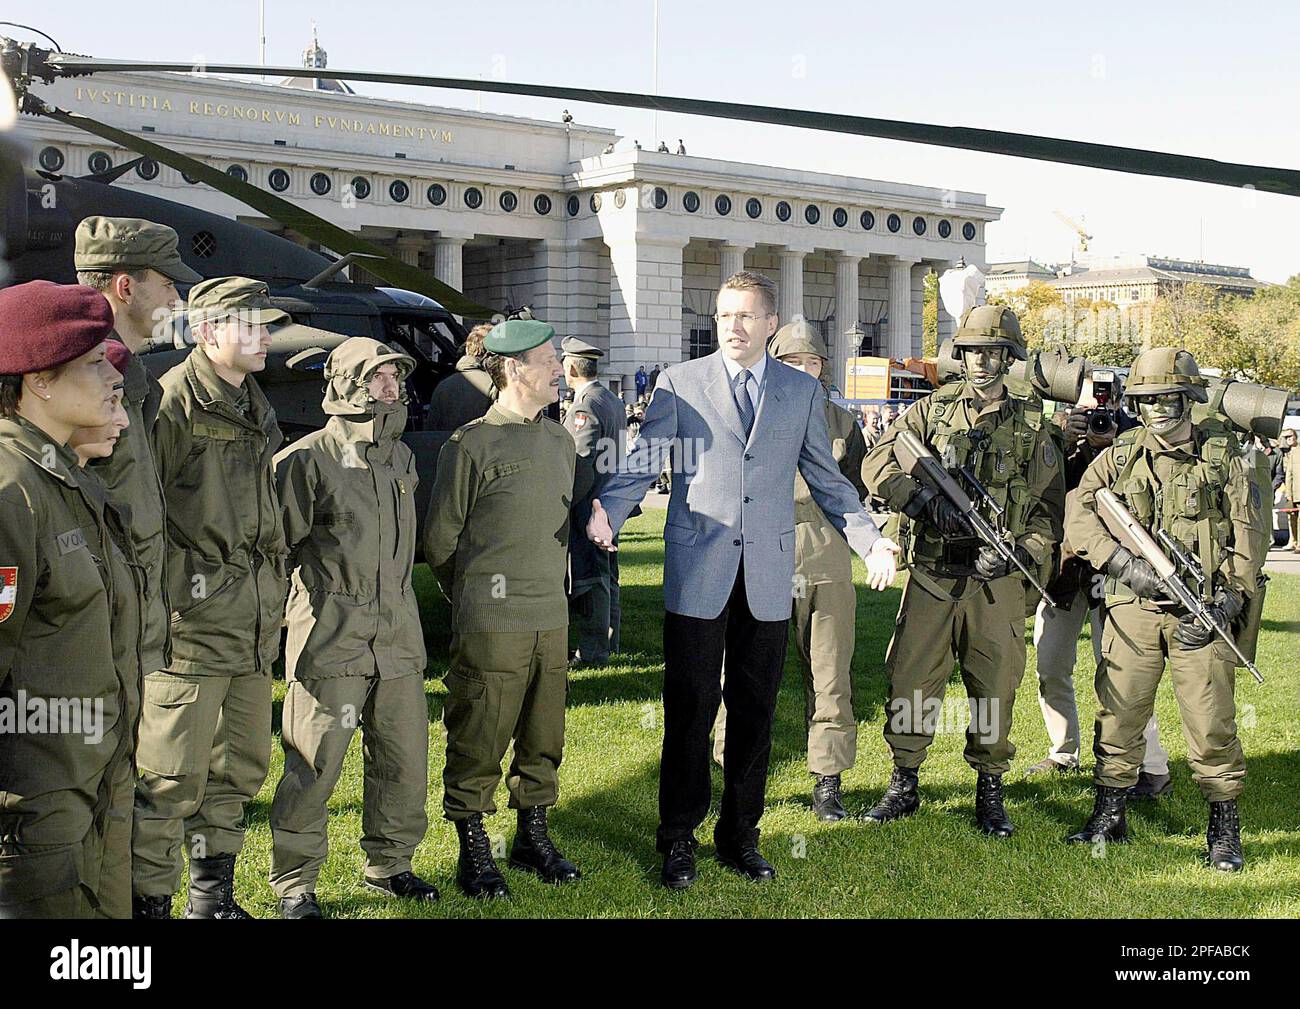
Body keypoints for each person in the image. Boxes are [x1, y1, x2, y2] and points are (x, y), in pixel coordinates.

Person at [587, 271, 899, 889]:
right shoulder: (681, 383)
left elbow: (829, 481)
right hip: (698, 569)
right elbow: (647, 458)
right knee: (691, 711)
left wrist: (868, 540)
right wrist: (610, 509)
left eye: (746, 316)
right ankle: (678, 839)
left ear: (769, 325)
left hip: (767, 575)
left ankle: (740, 837)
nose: (732, 326)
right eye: (725, 315)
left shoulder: (799, 392)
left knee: (754, 712)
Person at [860, 305, 1065, 837]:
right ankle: (905, 780)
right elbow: (878, 463)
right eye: (973, 351)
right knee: (911, 680)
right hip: (931, 572)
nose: (980, 361)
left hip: (996, 582)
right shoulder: (930, 412)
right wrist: (925, 502)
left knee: (995, 686)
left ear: (1008, 358)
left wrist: (1022, 549)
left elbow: (1049, 508)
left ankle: (990, 788)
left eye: (992, 352)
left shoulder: (1033, 425)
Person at [1064, 348, 1266, 872]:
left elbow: (1250, 536)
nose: (1158, 409)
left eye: (1168, 398)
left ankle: (1224, 826)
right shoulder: (1123, 453)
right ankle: (1110, 813)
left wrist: (1230, 599)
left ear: (1188, 398)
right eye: (1147, 400)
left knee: (1211, 718)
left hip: (1202, 610)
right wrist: (1123, 565)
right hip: (1133, 606)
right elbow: (1080, 515)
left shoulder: (1224, 456)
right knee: (1119, 709)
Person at [131, 277, 289, 919]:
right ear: (204, 332)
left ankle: (210, 896)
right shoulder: (171, 405)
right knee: (169, 780)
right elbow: (141, 519)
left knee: (237, 770)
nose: (264, 339)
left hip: (251, 630)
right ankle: (147, 908)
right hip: (192, 629)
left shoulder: (255, 404)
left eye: (266, 326)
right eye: (248, 326)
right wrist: (181, 595)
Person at [268, 338, 436, 919]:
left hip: (398, 639)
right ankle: (295, 884)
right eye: (378, 377)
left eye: (395, 376)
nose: (392, 387)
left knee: (404, 762)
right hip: (330, 636)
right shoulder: (304, 460)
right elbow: (274, 551)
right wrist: (275, 631)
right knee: (314, 766)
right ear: (345, 384)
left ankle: (391, 865)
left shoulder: (401, 459)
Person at [424, 318, 585, 899]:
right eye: (548, 360)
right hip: (493, 622)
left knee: (545, 734)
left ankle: (531, 836)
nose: (559, 372)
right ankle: (474, 849)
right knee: (480, 735)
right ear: (514, 368)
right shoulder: (470, 444)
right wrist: (475, 597)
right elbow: (441, 541)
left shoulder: (559, 440)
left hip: (551, 616)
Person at [74, 219, 199, 915]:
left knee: (127, 788)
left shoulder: (129, 376)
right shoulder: (84, 379)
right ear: (125, 285)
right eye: (166, 283)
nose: (176, 298)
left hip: (135, 626)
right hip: (90, 636)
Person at [0, 281, 129, 917]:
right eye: (92, 363)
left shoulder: (65, 479)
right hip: (33, 808)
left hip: (88, 786)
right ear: (39, 381)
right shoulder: (10, 491)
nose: (112, 376)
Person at [712, 321, 869, 821]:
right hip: (760, 558)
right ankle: (732, 772)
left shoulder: (843, 424)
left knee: (829, 674)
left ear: (825, 369)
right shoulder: (747, 414)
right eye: (793, 362)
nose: (805, 370)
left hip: (825, 561)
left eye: (814, 362)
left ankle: (828, 781)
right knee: (742, 675)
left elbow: (850, 491)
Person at [1026, 390, 1172, 799]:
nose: (1096, 421)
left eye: (1103, 413)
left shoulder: (1135, 441)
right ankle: (1062, 751)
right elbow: (1041, 493)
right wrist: (1063, 440)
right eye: (1087, 413)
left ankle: (1152, 764)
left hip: (1119, 575)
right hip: (1064, 573)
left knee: (1124, 673)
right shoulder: (1056, 445)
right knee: (1051, 664)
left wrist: (1117, 439)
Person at [561, 336, 627, 664]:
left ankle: (594, 650)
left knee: (591, 579)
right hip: (611, 501)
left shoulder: (585, 405)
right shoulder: (610, 399)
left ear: (571, 367)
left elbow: (580, 460)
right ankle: (608, 642)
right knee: (608, 576)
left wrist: (565, 501)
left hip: (591, 504)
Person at [425, 322, 495, 431]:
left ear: (467, 349)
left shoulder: (444, 385)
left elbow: (431, 429)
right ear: (492, 352)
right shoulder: (496, 385)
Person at [1278, 429, 1300, 550]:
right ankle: (1293, 540)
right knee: (1291, 517)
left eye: (1291, 436)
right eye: (1286, 437)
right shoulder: (1284, 452)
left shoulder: (1297, 451)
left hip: (1298, 489)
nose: (1289, 439)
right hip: (1290, 490)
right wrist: (1288, 493)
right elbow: (1288, 474)